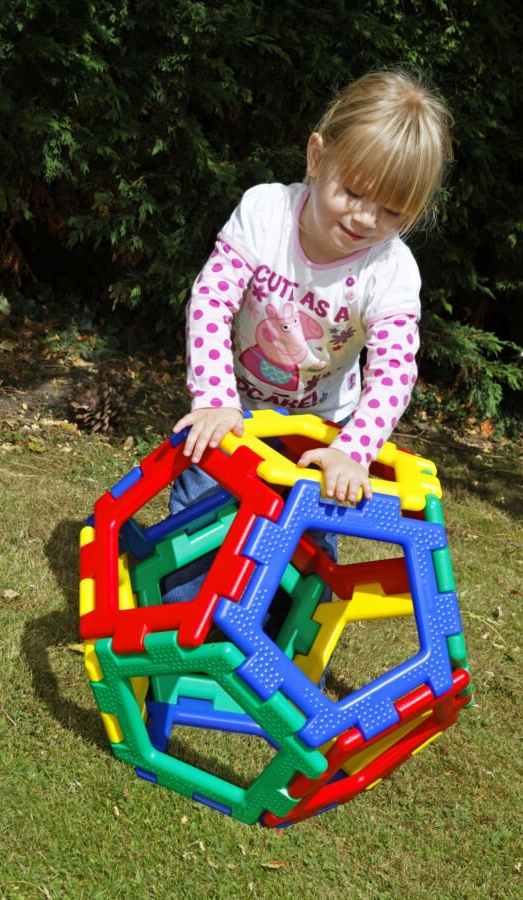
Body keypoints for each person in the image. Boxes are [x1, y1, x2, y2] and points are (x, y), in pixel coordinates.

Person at [165, 69, 453, 607]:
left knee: (307, 547)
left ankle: (289, 670)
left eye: (393, 210)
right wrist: (216, 400)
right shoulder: (265, 212)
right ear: (318, 158)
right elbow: (211, 299)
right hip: (239, 406)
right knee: (200, 516)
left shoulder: (391, 269)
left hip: (323, 426)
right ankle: (177, 639)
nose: (367, 218)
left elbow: (394, 372)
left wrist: (353, 450)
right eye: (355, 192)